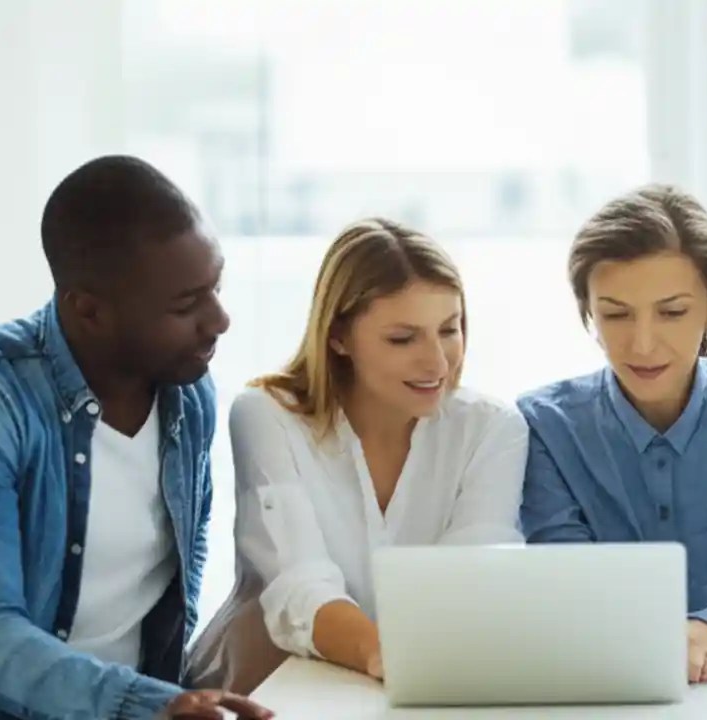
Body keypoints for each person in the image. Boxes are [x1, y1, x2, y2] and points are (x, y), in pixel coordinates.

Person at [0, 156, 272, 718]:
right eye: (185, 305)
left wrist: (181, 697)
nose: (219, 320)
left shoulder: (188, 392)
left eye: (215, 287)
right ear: (88, 311)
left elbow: (175, 578)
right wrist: (151, 704)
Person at [188, 218, 528, 692]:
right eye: (402, 339)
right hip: (270, 681)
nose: (438, 362)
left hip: (416, 681)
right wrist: (393, 658)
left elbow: (470, 583)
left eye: (449, 329)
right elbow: (299, 587)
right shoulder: (267, 416)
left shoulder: (492, 428)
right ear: (338, 337)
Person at [517, 185, 707, 685]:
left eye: (672, 312)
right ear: (588, 310)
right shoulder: (544, 424)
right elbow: (566, 585)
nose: (642, 343)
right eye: (615, 314)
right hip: (611, 678)